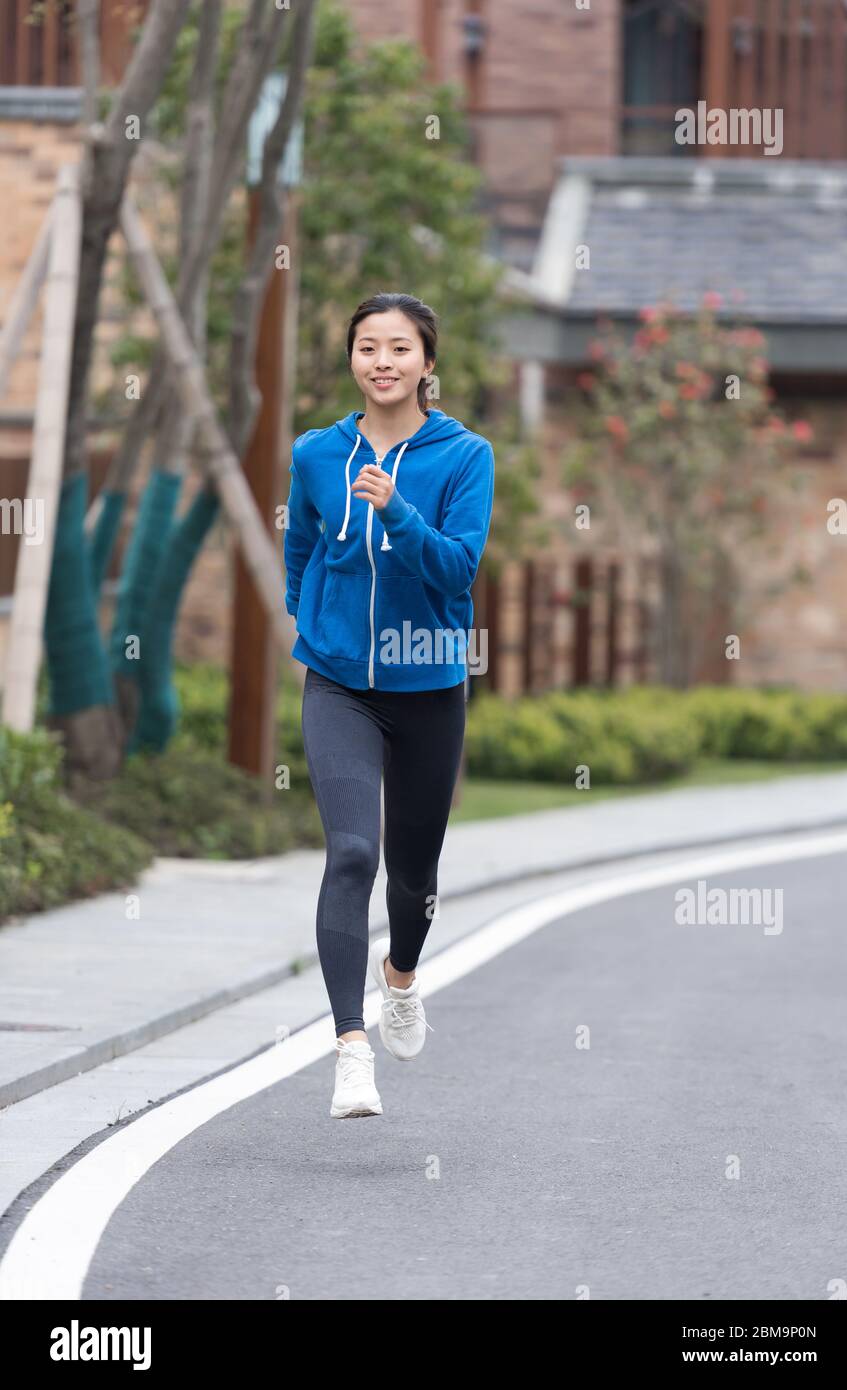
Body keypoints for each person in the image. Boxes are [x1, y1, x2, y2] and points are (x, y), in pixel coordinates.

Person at [283, 291, 495, 1117]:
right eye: (367, 346)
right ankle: (347, 1047)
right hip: (337, 682)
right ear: (352, 359)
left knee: (412, 876)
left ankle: (399, 978)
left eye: (399, 348)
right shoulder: (314, 453)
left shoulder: (462, 455)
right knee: (349, 855)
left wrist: (396, 511)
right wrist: (308, 612)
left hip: (427, 685)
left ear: (427, 364)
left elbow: (455, 571)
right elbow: (299, 541)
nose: (382, 361)